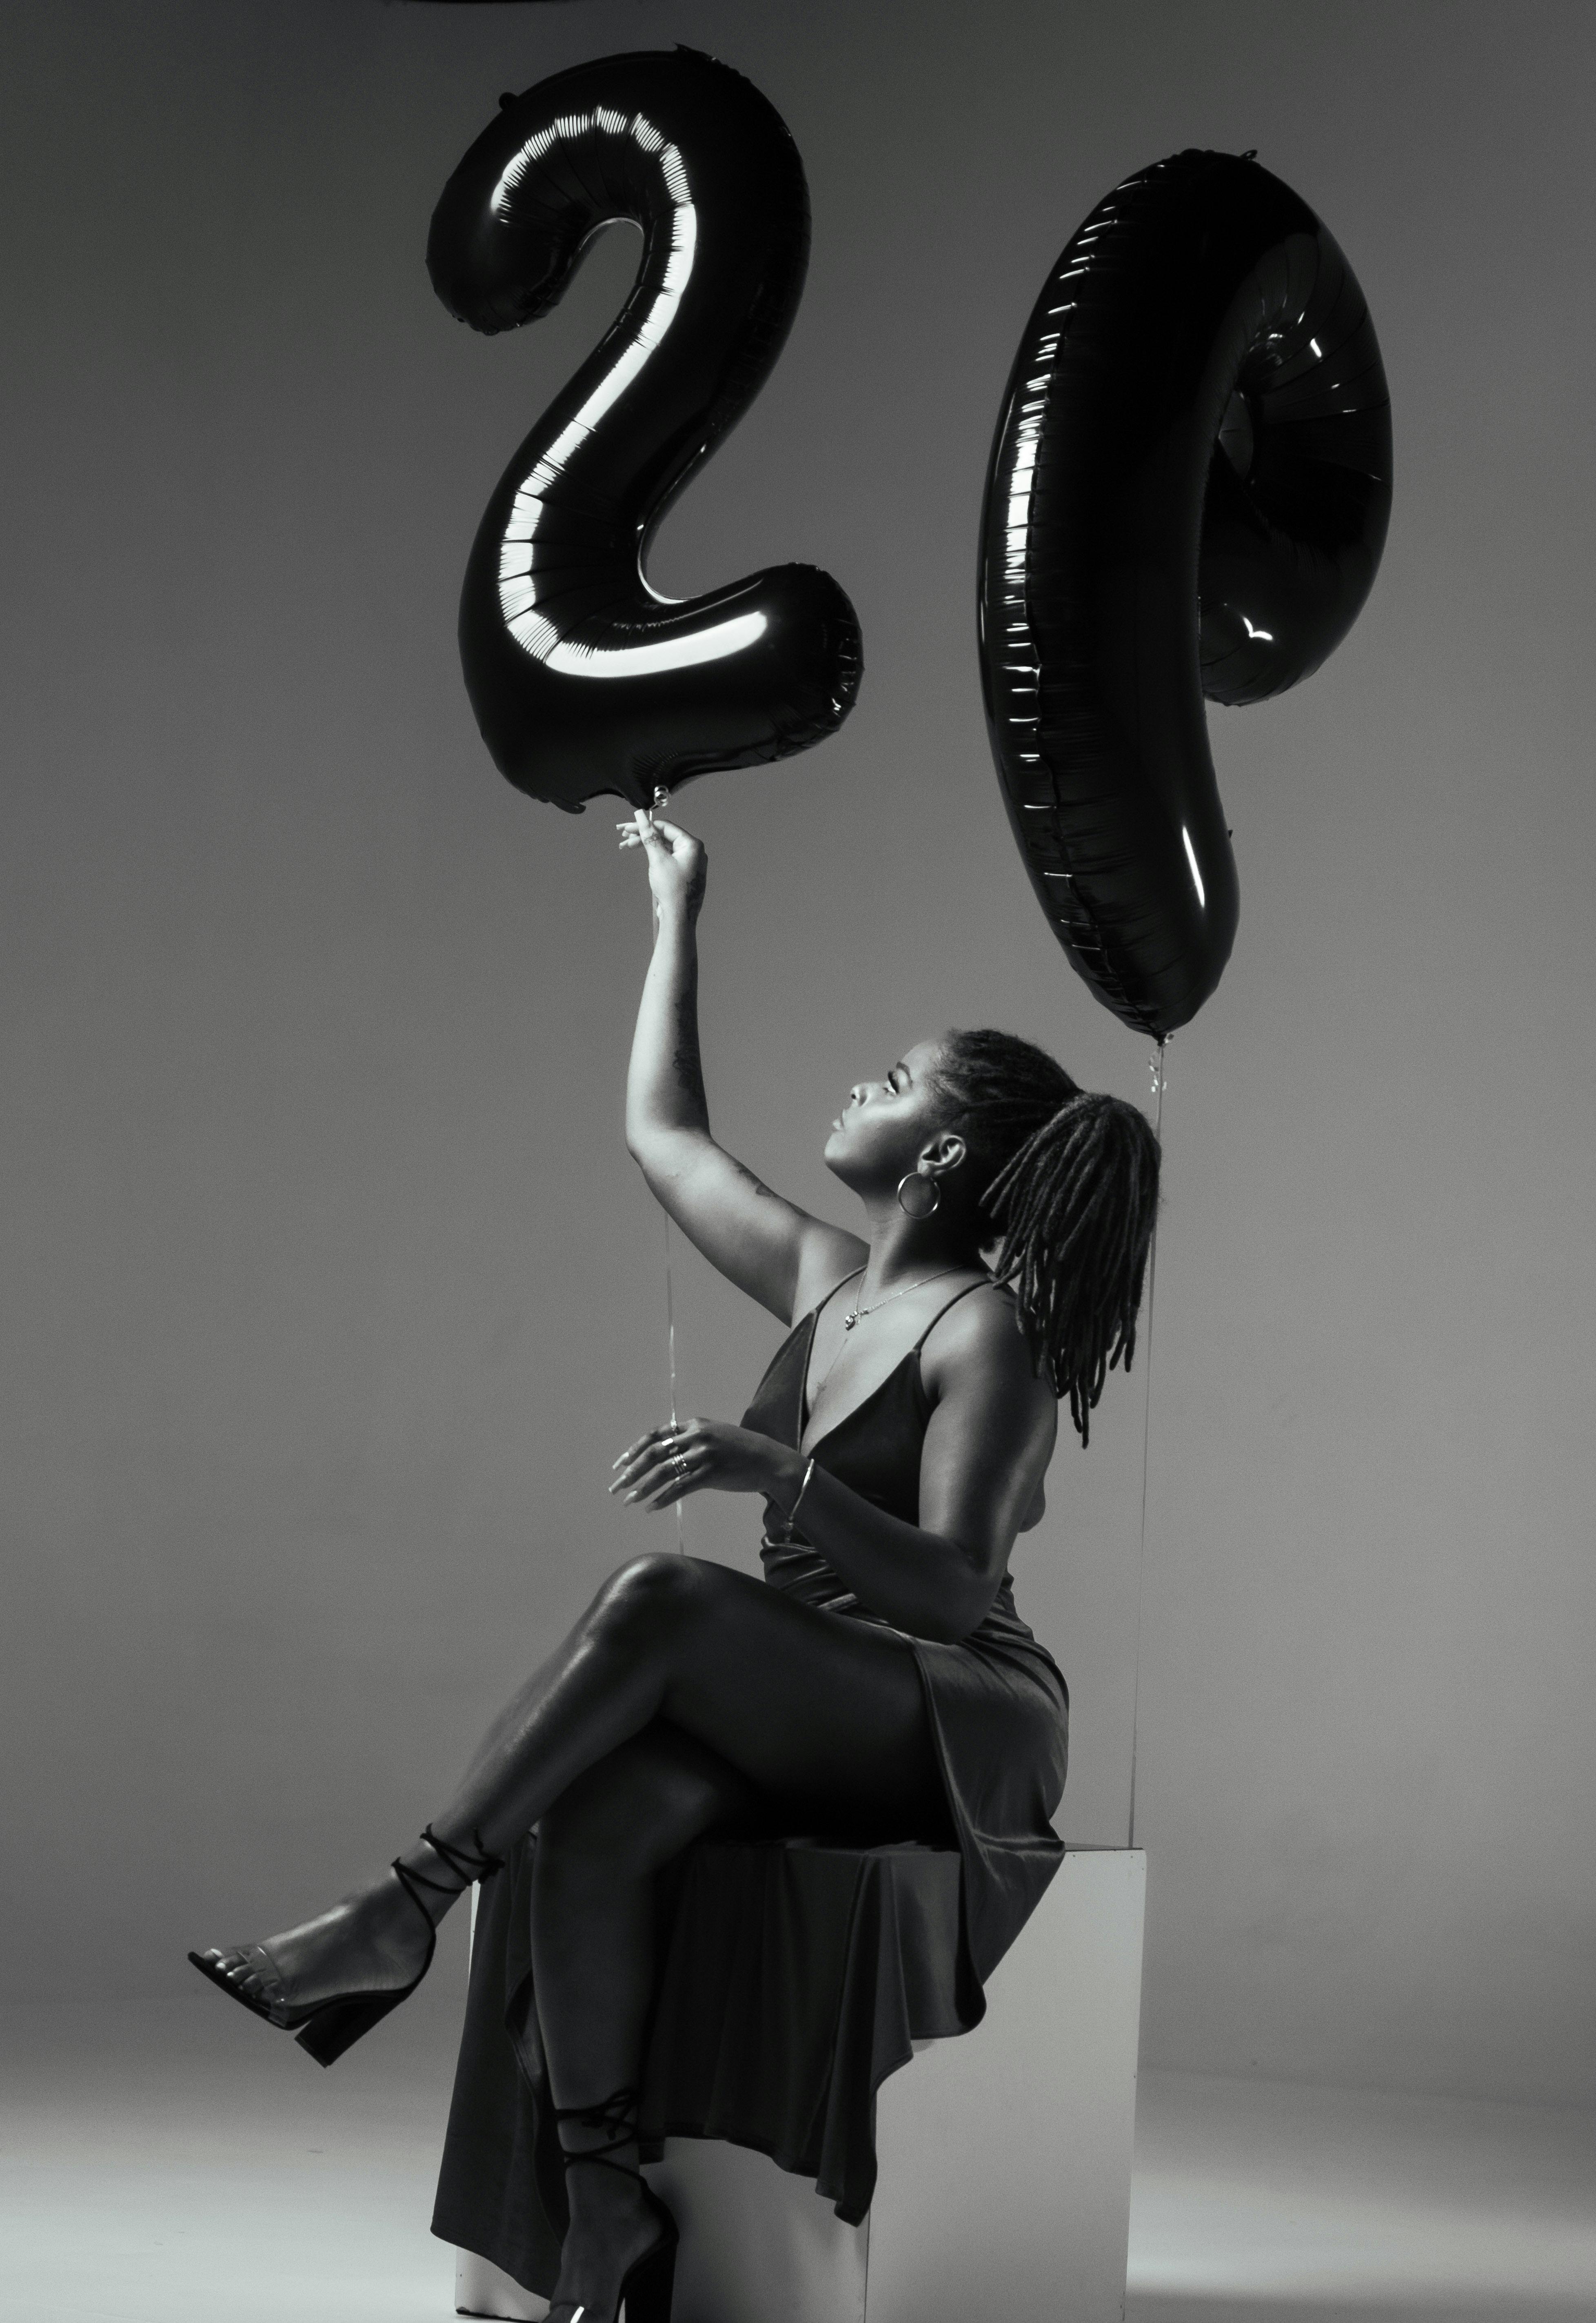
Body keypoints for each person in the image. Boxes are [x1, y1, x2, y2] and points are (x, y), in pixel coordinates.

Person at [190, 811, 1160, 2323]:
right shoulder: (830, 1279)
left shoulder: (993, 1331)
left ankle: (401, 1907)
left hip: (954, 1710)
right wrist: (677, 915)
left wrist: (785, 1472)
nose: (859, 1082)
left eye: (894, 1082)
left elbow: (956, 1593)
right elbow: (666, 1139)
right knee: (587, 1823)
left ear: (947, 1152)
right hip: (811, 1695)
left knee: (658, 1595)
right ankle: (601, 2209)